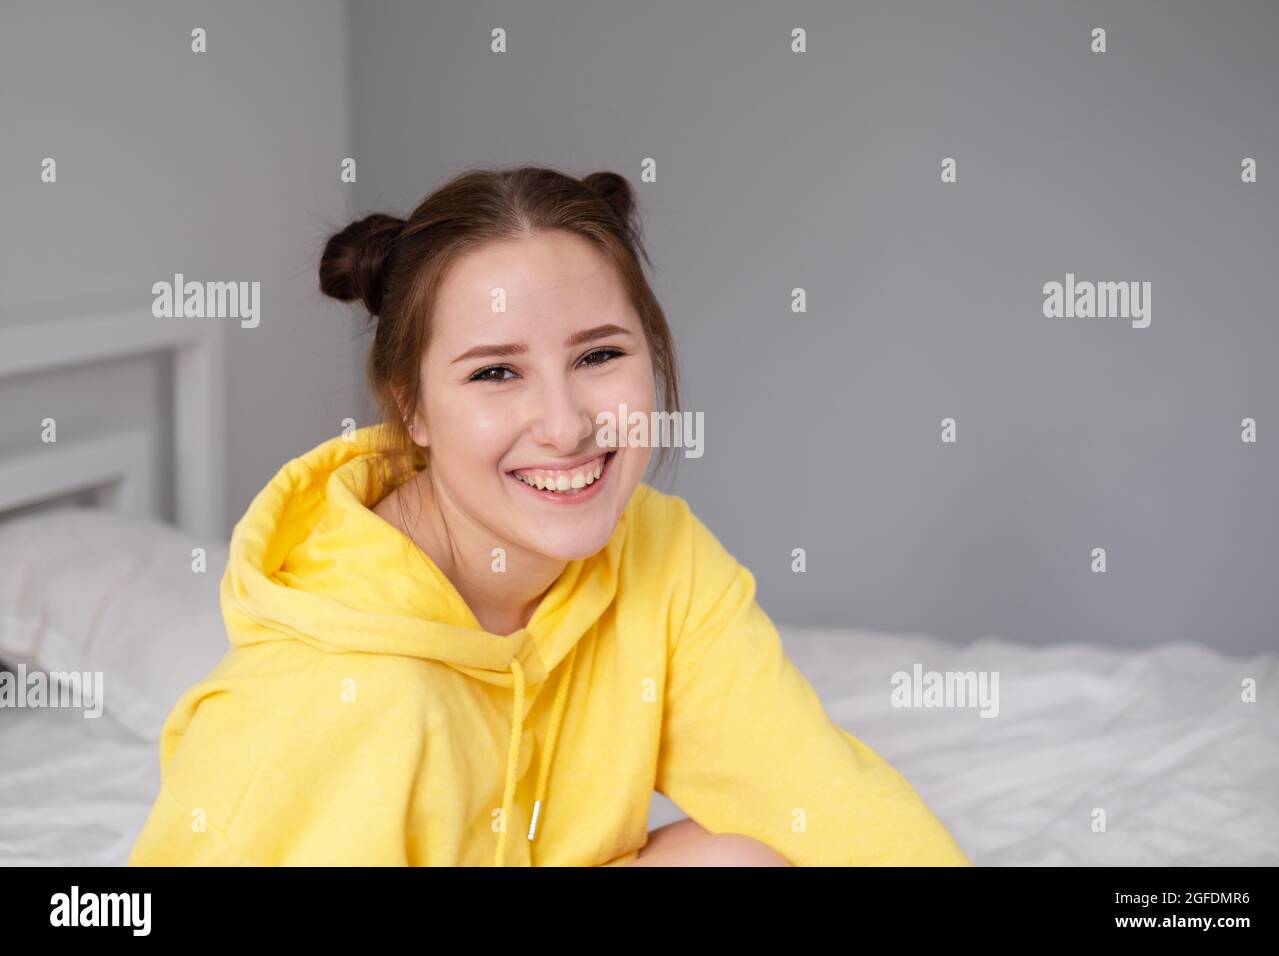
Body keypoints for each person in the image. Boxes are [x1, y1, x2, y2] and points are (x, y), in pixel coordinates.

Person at [129, 166, 971, 866]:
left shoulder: (658, 554)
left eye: (599, 355)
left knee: (736, 861)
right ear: (410, 406)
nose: (566, 428)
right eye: (496, 373)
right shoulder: (334, 697)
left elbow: (821, 803)